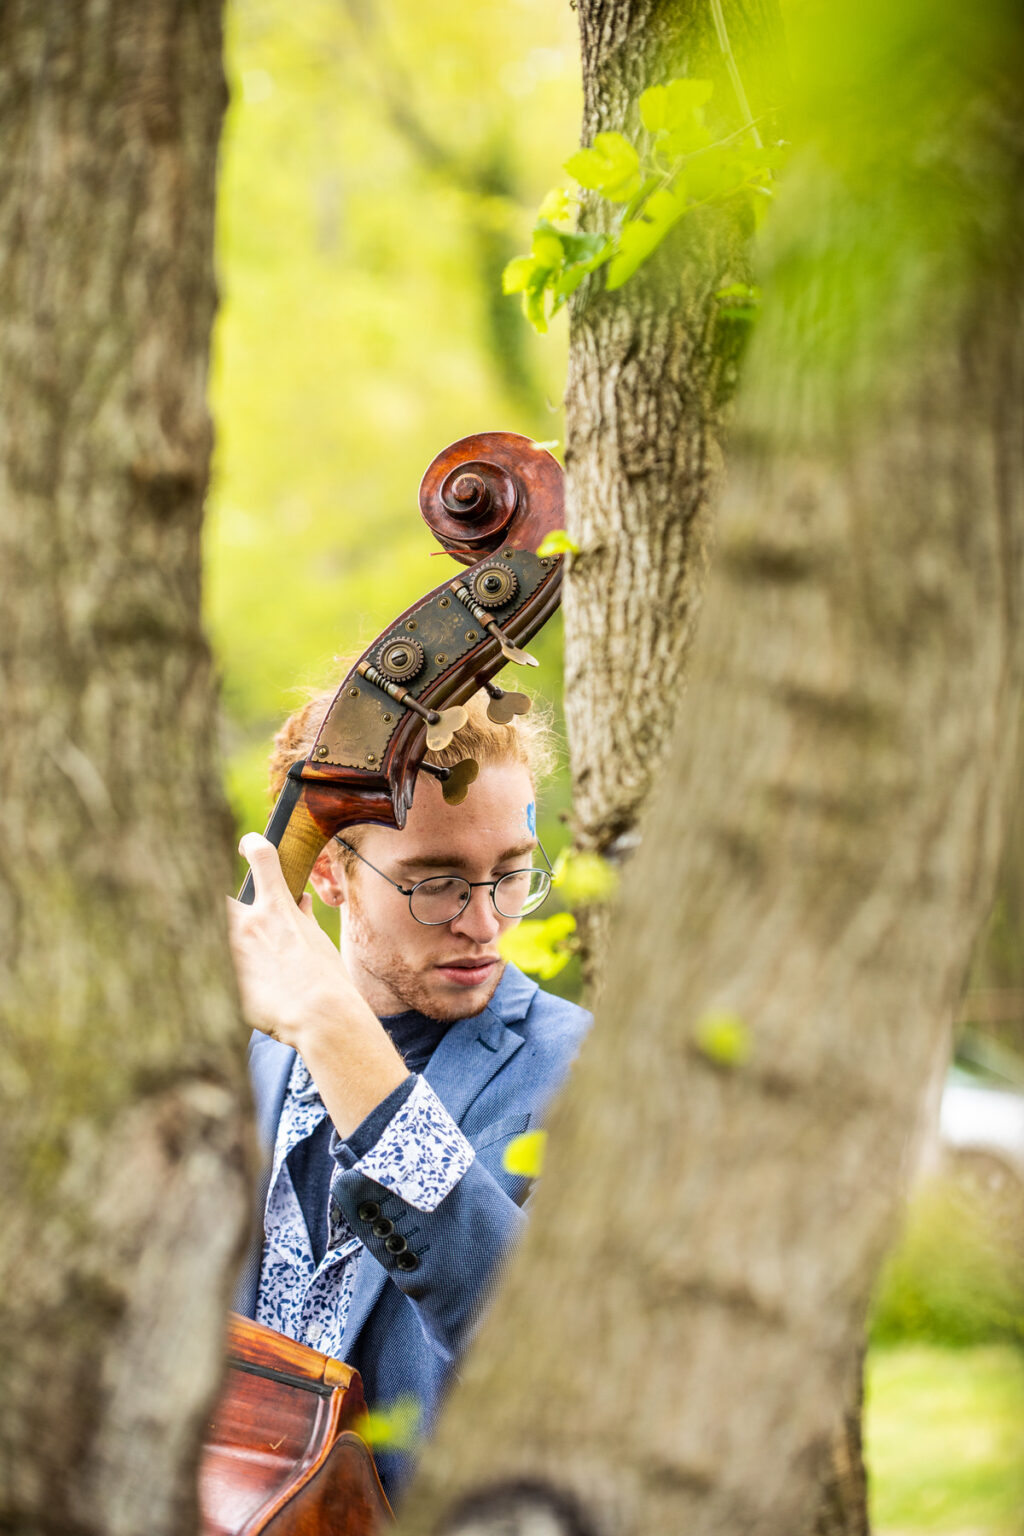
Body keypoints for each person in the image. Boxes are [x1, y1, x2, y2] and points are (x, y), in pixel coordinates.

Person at [227, 685, 589, 1502]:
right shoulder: (237, 1065)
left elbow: (554, 1357)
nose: (485, 923)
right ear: (330, 872)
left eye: (511, 875)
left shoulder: (590, 1074)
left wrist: (351, 1055)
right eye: (436, 883)